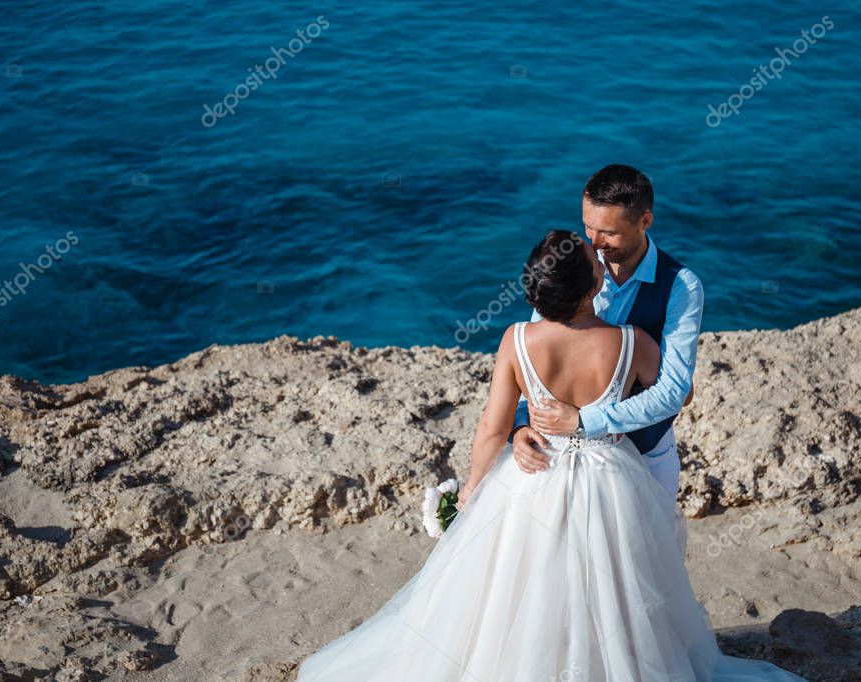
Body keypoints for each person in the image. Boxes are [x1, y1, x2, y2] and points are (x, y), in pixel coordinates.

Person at [296, 231, 806, 681]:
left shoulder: (517, 340)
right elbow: (679, 393)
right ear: (591, 289)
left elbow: (492, 427)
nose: (599, 254)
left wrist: (473, 488)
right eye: (591, 255)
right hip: (612, 478)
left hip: (534, 472)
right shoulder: (631, 342)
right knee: (617, 585)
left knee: (525, 583)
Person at [511, 164, 703, 503]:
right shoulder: (570, 267)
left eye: (608, 233)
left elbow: (674, 391)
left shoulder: (681, 287)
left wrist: (585, 421)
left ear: (645, 220)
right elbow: (535, 354)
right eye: (588, 226)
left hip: (646, 458)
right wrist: (520, 424)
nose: (594, 242)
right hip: (557, 459)